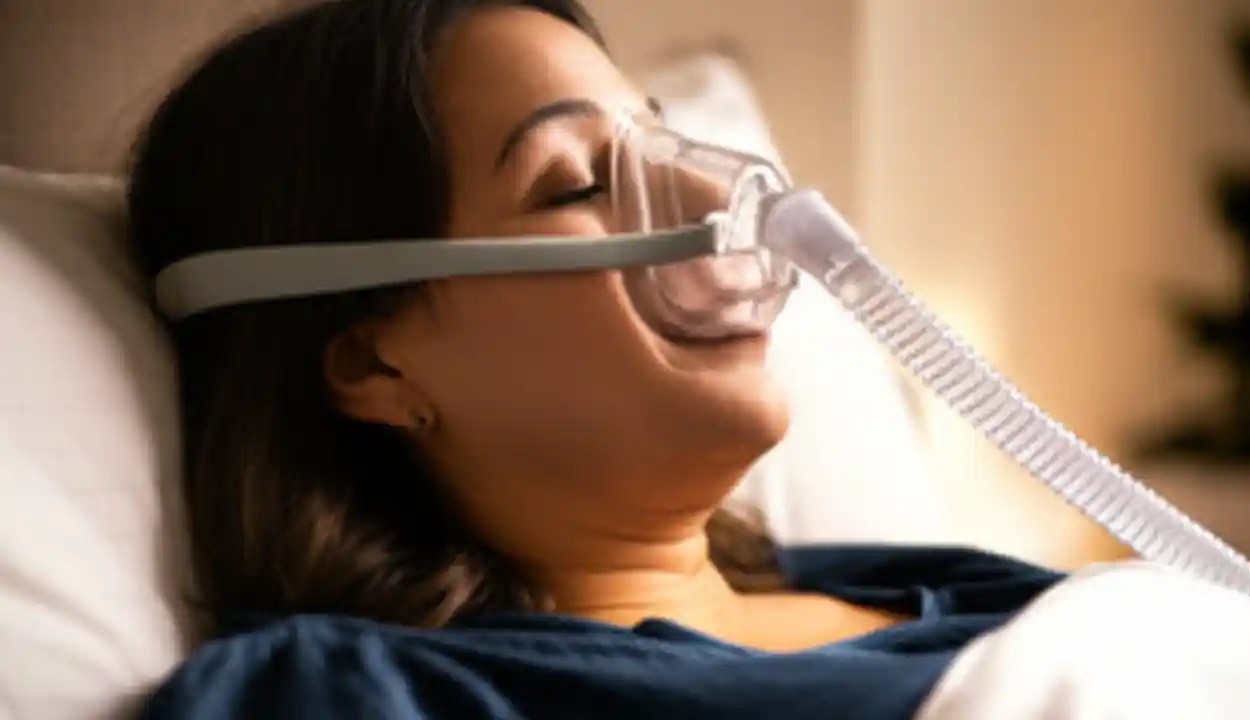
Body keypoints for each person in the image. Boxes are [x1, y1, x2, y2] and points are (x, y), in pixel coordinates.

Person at [129, 1, 1060, 717]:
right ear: (376, 364)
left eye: (662, 141)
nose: (715, 201)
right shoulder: (363, 693)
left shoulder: (941, 588)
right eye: (578, 182)